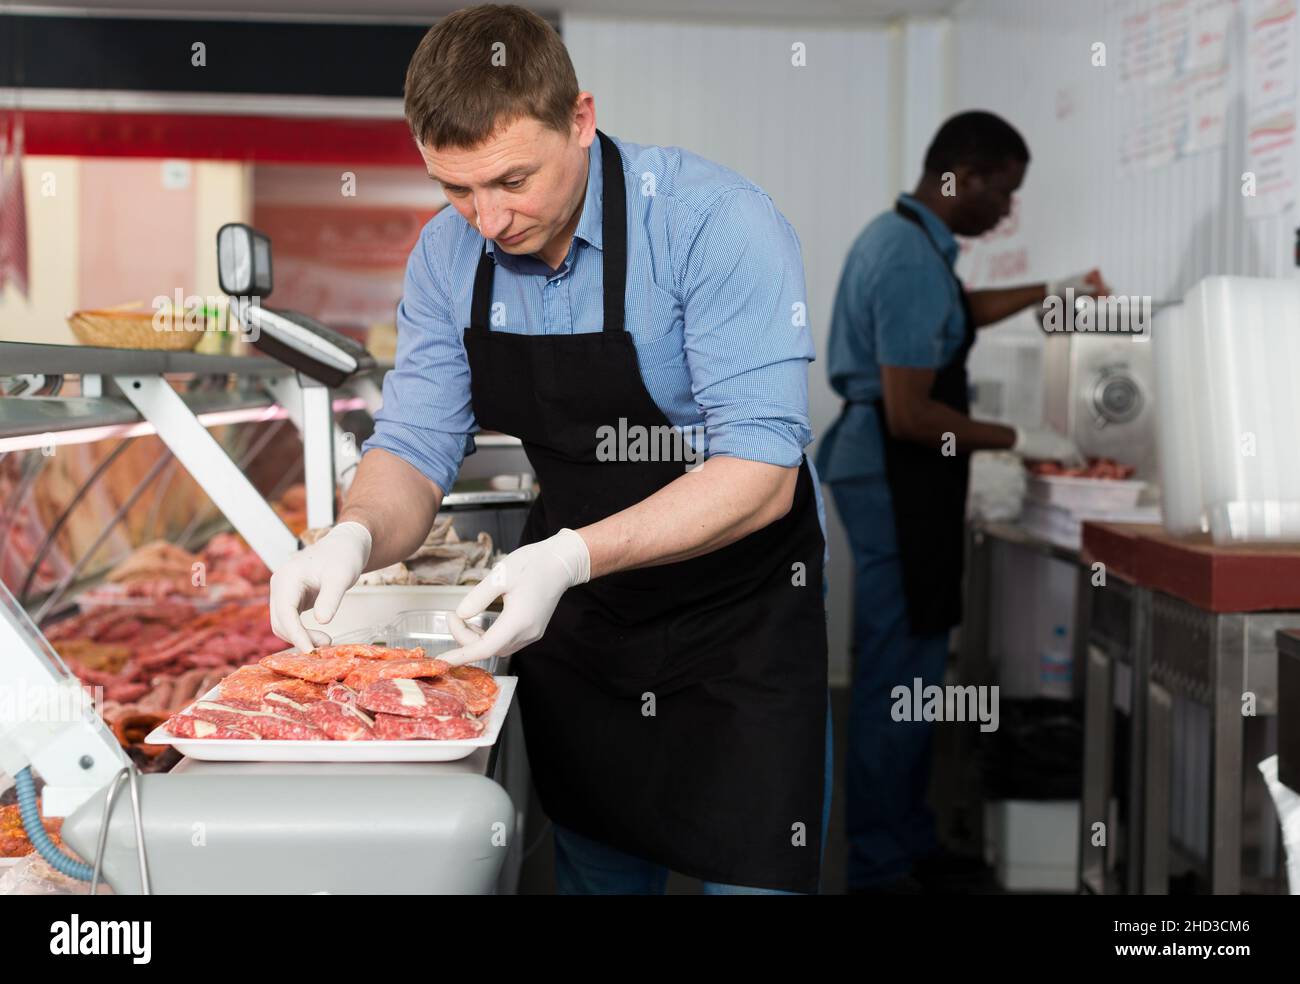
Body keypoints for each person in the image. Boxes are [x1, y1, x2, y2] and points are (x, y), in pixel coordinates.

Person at [269, 5, 831, 895]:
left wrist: (570, 555)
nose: (487, 219)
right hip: (584, 629)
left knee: (754, 876)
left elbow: (761, 472)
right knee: (599, 873)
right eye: (456, 189)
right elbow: (414, 447)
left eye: (512, 180)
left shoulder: (715, 223)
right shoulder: (447, 256)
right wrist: (353, 537)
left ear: (580, 118)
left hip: (739, 624)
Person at [816, 110, 1106, 893]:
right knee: (897, 678)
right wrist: (1023, 437)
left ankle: (905, 840)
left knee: (905, 666)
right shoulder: (910, 258)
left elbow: (959, 315)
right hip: (893, 474)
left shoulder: (909, 242)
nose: (1008, 210)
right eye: (1005, 193)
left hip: (885, 469)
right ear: (964, 178)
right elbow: (913, 415)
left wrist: (1056, 289)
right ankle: (880, 865)